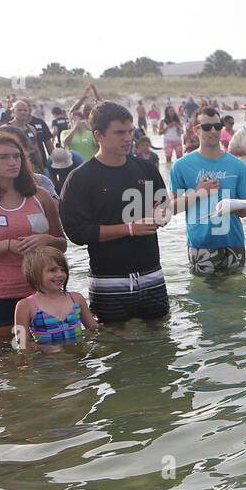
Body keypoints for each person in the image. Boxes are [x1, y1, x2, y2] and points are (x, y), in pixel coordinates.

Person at [60, 102, 172, 324]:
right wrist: (129, 229)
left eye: (130, 131)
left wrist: (162, 216)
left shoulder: (145, 169)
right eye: (119, 132)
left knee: (161, 340)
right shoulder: (81, 178)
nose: (128, 138)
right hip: (107, 280)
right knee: (114, 343)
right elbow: (77, 233)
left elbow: (164, 210)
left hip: (152, 274)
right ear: (98, 135)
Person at [0, 131, 68, 339]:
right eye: (3, 157)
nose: (13, 162)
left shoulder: (40, 195)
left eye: (17, 156)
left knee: (53, 356)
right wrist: (5, 245)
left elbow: (62, 244)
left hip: (42, 291)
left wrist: (48, 241)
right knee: (4, 362)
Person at [169, 107, 246, 276]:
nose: (213, 131)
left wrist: (239, 209)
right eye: (207, 127)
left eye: (217, 126)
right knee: (204, 297)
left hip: (233, 242)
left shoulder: (237, 165)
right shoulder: (180, 166)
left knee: (237, 296)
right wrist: (197, 193)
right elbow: (171, 208)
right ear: (196, 130)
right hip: (200, 243)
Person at [13, 246, 97, 349]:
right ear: (35, 273)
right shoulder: (25, 306)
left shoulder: (76, 299)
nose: (60, 274)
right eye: (53, 270)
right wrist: (46, 349)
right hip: (47, 361)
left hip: (78, 356)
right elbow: (22, 343)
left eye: (63, 270)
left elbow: (93, 328)